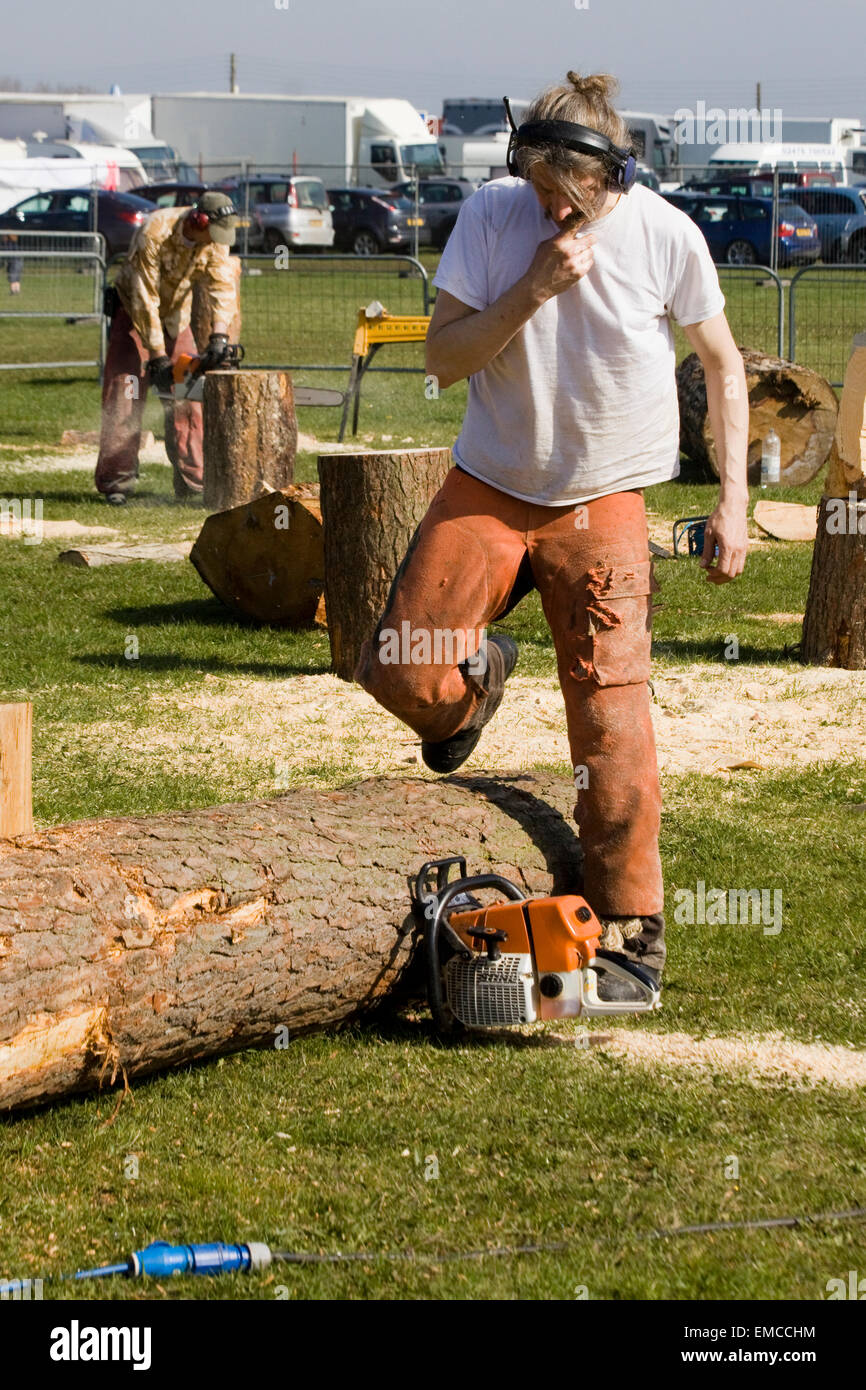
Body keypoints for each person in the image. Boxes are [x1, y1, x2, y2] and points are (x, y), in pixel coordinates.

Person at [356, 71, 749, 1001]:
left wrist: (733, 499)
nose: (546, 206)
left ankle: (630, 929)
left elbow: (723, 365)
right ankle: (478, 681)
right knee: (401, 669)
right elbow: (442, 360)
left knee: (610, 721)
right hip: (490, 480)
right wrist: (531, 289)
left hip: (604, 495)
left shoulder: (665, 234)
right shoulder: (493, 218)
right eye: (534, 185)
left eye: (561, 194)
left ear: (606, 177)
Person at [95, 192, 239, 504]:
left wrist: (219, 337)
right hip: (133, 312)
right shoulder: (155, 231)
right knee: (126, 392)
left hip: (176, 316)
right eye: (211, 234)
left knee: (188, 393)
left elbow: (221, 286)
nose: (214, 241)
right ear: (197, 221)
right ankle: (117, 482)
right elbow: (144, 298)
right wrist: (158, 357)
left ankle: (193, 481)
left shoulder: (215, 239)